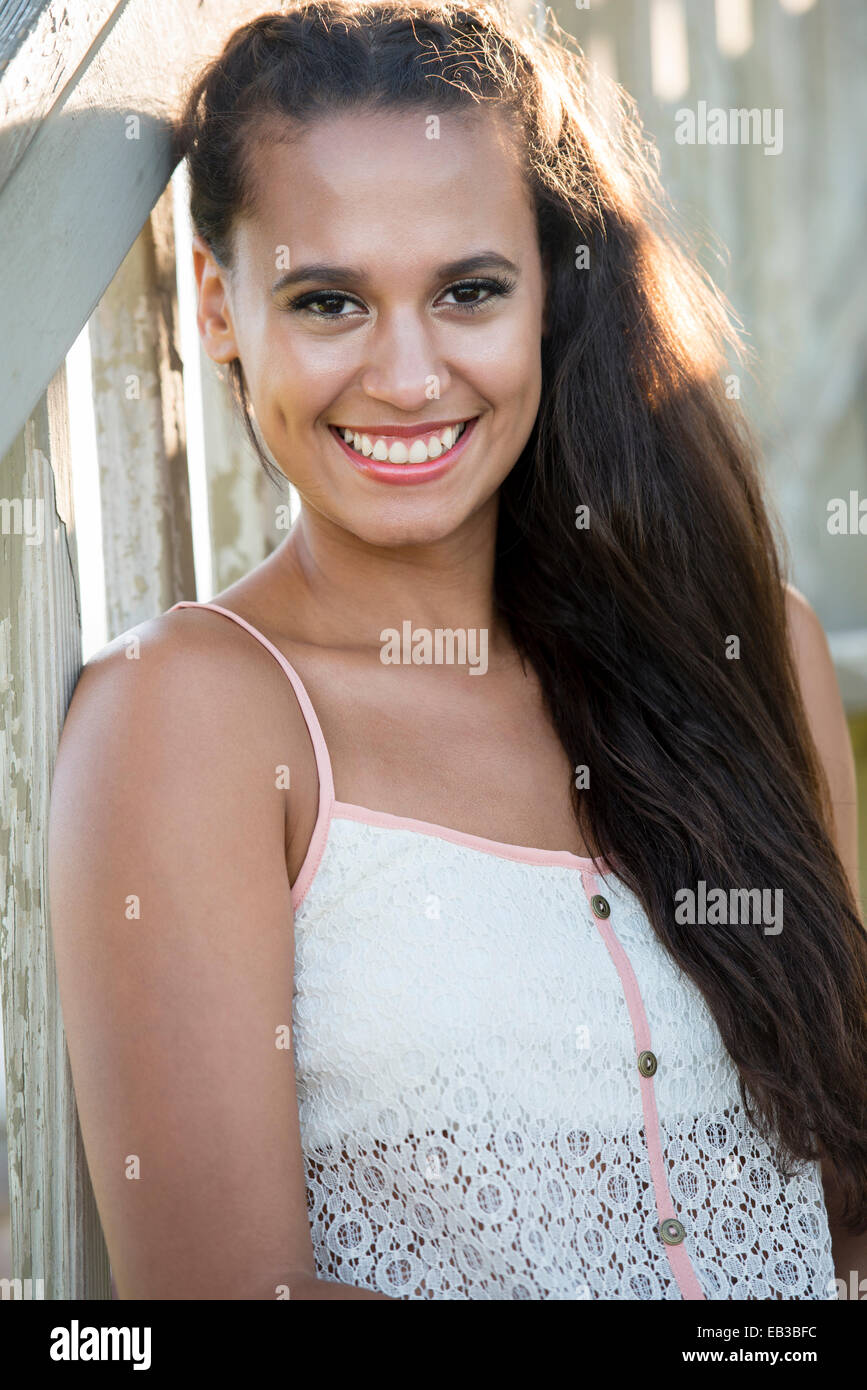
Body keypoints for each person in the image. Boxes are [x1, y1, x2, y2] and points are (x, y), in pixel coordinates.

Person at [48, 0, 866, 1300]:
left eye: (469, 290)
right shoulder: (194, 715)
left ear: (551, 293)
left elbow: (842, 1196)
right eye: (329, 301)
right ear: (217, 305)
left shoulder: (755, 649)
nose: (411, 373)